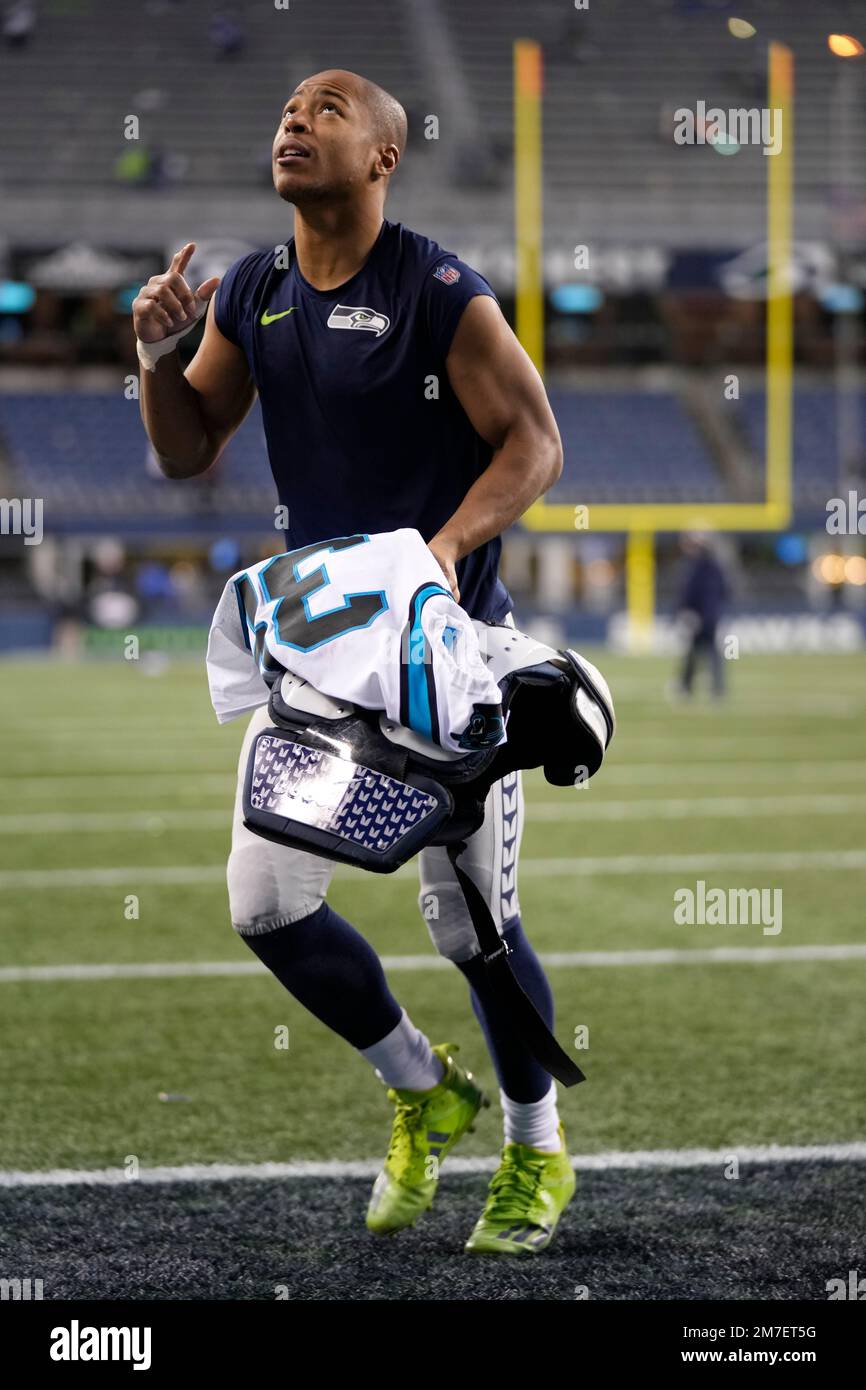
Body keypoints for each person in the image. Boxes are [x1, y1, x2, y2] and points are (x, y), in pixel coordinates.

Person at [133, 69, 573, 1256]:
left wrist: (432, 558)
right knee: (265, 904)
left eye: (326, 109)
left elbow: (535, 442)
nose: (293, 120)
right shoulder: (253, 292)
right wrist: (156, 360)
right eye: (285, 109)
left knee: (470, 925)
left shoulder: (437, 291)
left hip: (446, 655)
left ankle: (535, 1153)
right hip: (320, 663)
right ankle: (420, 1085)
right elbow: (185, 451)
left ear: (383, 155)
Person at [675, 531, 729, 699]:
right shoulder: (706, 567)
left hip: (703, 618)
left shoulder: (701, 568)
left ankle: (693, 688)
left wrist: (690, 613)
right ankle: (708, 689)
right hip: (706, 617)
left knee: (702, 654)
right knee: (699, 654)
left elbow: (692, 594)